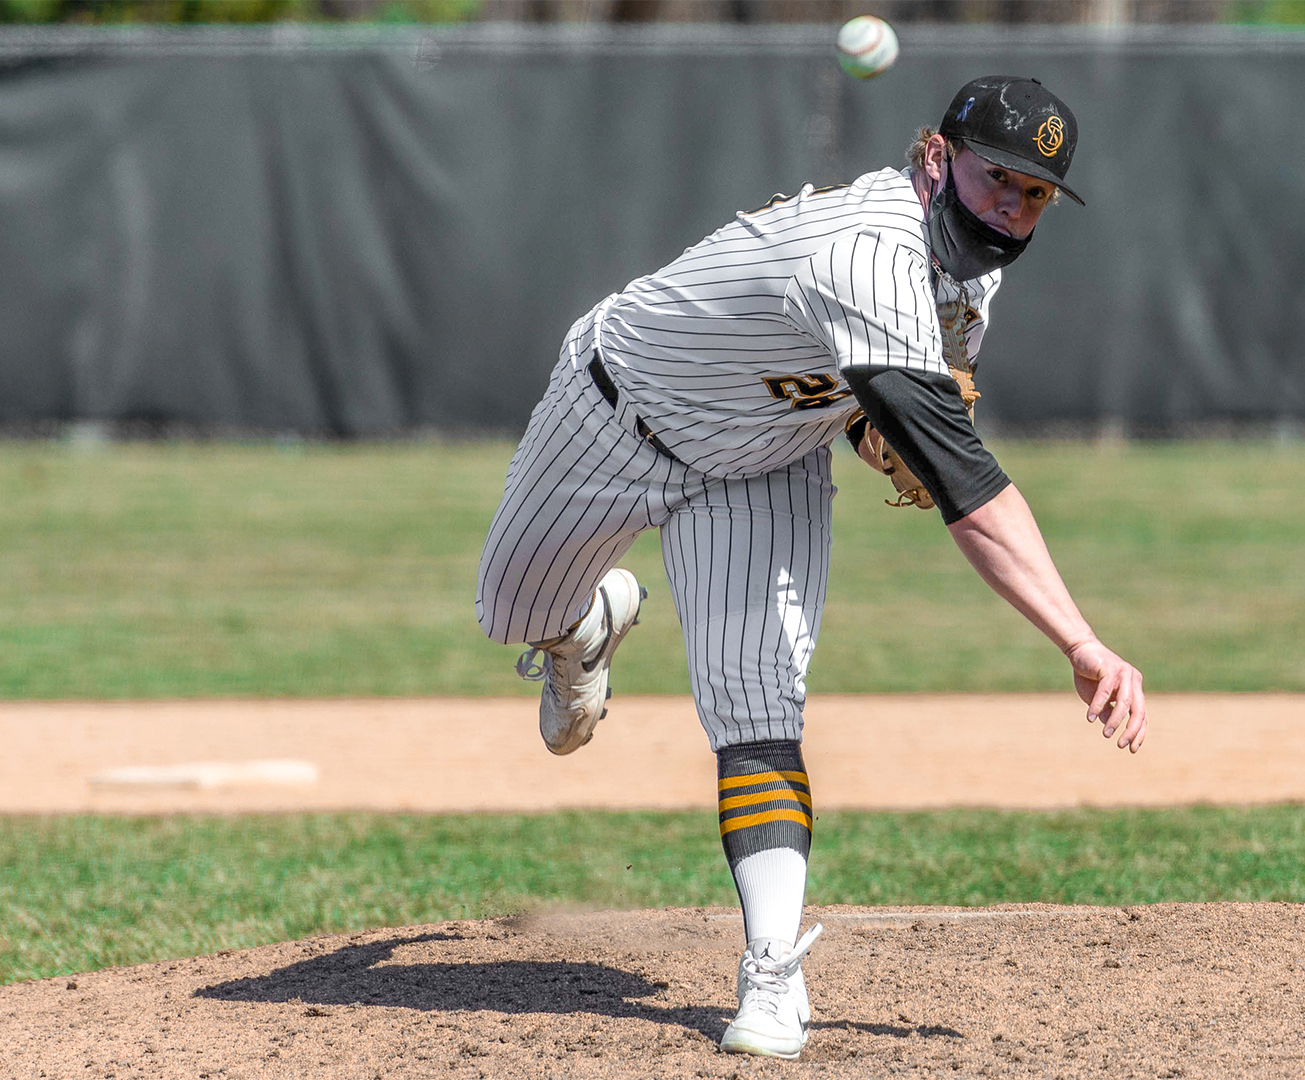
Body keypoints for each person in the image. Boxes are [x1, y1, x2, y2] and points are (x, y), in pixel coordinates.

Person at [475, 75, 1146, 1061]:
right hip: (617, 413)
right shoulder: (868, 255)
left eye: (1037, 192)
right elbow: (968, 488)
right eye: (998, 177)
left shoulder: (972, 276)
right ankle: (582, 628)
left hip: (767, 459)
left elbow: (879, 428)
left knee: (758, 706)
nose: (1014, 204)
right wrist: (1079, 640)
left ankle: (771, 972)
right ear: (935, 157)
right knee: (509, 610)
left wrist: (891, 441)